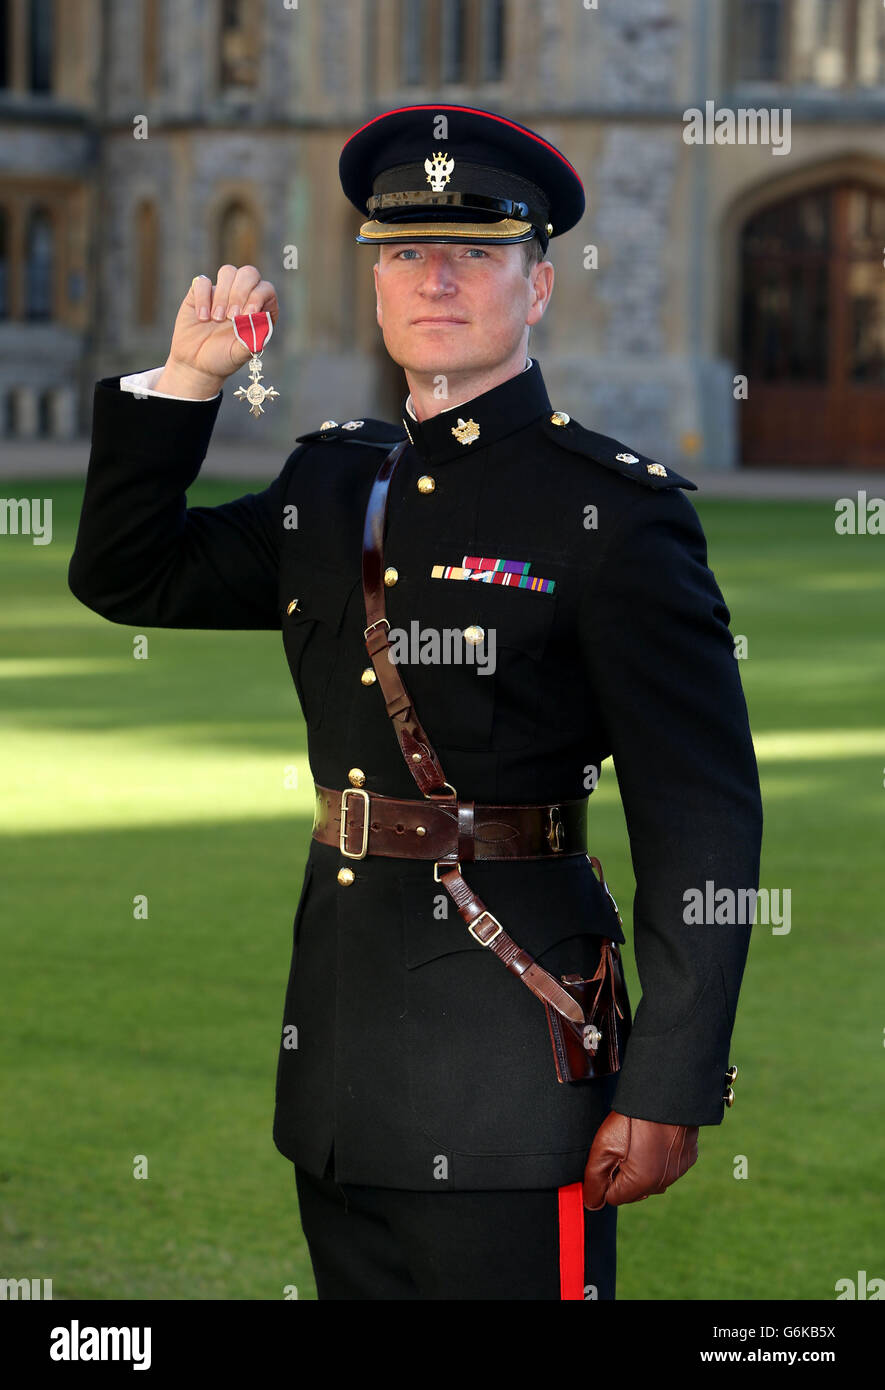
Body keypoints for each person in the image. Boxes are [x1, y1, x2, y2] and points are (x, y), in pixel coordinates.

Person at [68, 104, 763, 1301]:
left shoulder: (618, 514)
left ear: (537, 285)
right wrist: (189, 382)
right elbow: (130, 573)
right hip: (338, 1070)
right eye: (403, 254)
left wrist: (672, 1081)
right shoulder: (330, 485)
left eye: (476, 252)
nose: (434, 278)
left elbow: (702, 814)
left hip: (514, 1068)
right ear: (376, 287)